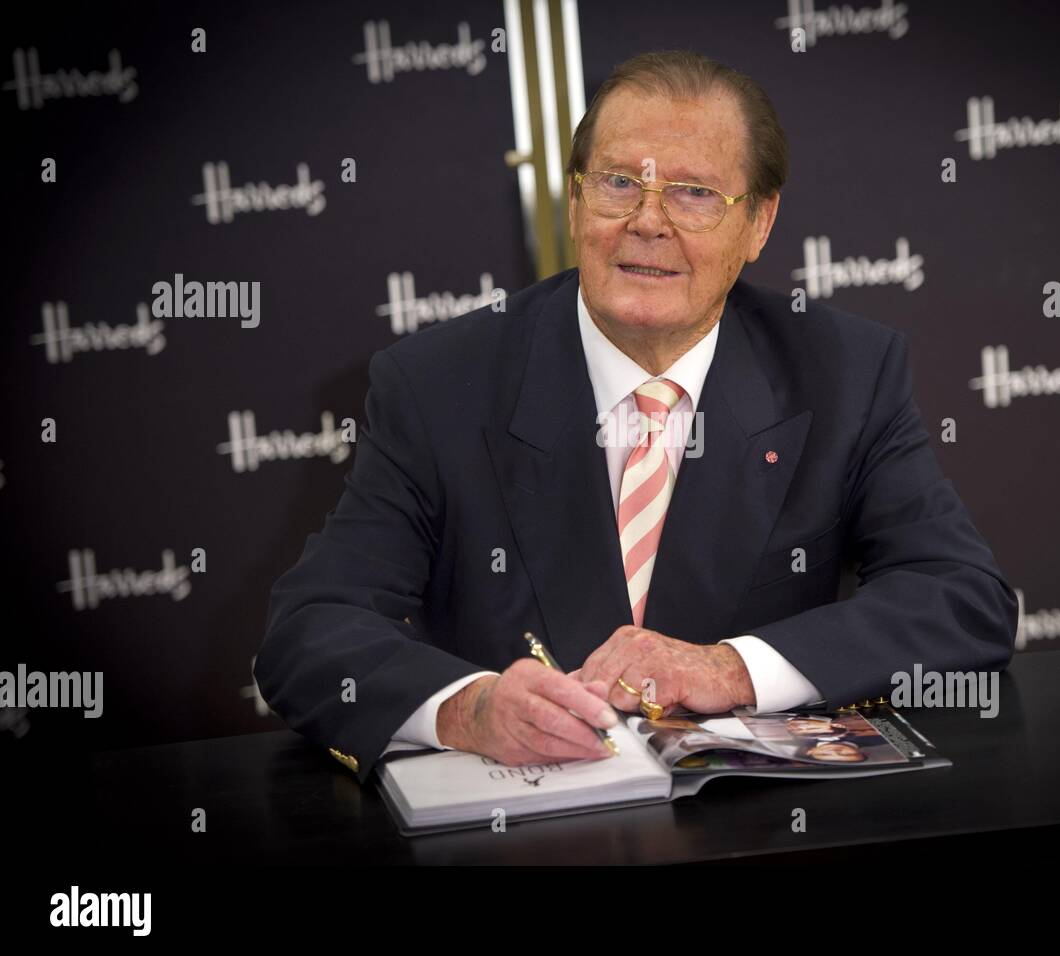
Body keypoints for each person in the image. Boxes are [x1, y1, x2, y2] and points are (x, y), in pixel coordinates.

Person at [255, 50, 1018, 783]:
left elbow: (961, 597)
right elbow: (311, 630)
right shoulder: (435, 384)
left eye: (694, 194)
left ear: (758, 223)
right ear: (578, 198)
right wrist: (467, 708)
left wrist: (730, 668)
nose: (649, 222)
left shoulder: (845, 373)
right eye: (621, 182)